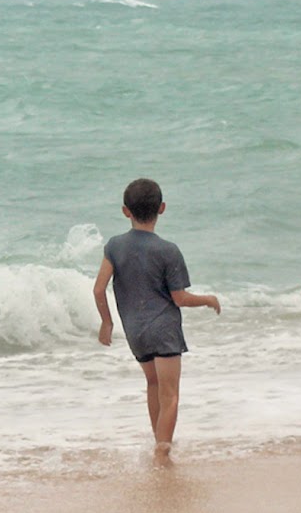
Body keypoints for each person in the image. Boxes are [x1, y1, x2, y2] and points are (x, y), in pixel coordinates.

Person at [92, 179, 221, 461]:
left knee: (153, 384)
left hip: (135, 332)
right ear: (162, 208)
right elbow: (179, 298)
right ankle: (163, 452)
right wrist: (208, 299)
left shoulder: (114, 246)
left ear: (126, 211)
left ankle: (158, 442)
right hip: (164, 330)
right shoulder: (168, 250)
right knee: (170, 394)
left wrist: (107, 322)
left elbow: (99, 289)